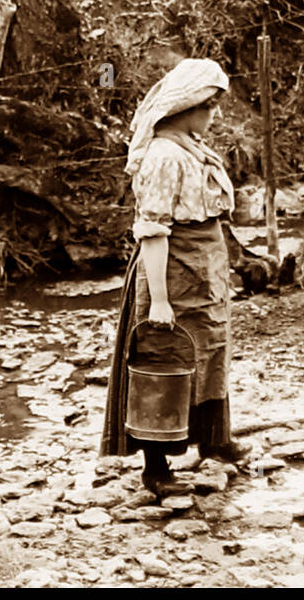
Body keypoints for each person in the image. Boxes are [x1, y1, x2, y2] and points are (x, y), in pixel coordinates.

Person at [100, 58, 250, 498]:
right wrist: (160, 300)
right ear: (184, 107)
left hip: (204, 270)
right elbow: (153, 231)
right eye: (208, 106)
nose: (213, 115)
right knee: (164, 358)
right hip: (173, 268)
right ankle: (156, 465)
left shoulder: (191, 146)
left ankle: (215, 440)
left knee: (211, 350)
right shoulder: (165, 156)